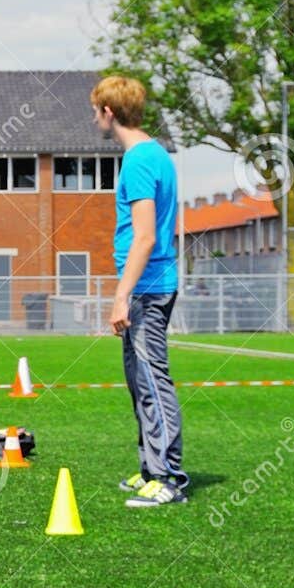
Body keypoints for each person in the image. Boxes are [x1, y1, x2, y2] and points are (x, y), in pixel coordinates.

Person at [94, 75, 188, 507]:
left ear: (108, 112)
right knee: (139, 380)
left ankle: (168, 479)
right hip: (147, 288)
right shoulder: (155, 154)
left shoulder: (137, 162)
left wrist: (120, 295)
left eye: (96, 109)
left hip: (147, 290)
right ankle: (151, 468)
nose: (95, 116)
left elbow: (146, 236)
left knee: (152, 380)